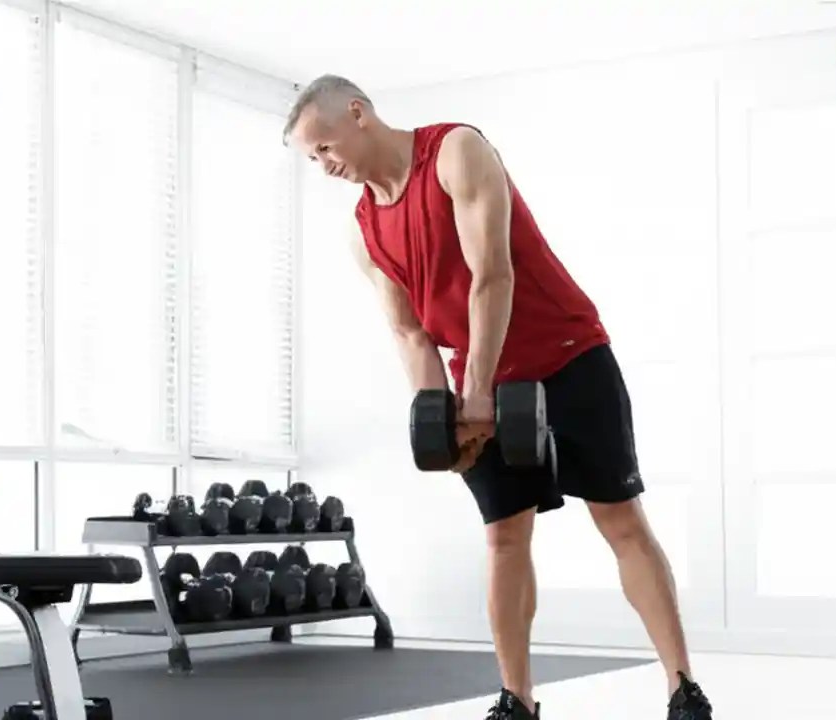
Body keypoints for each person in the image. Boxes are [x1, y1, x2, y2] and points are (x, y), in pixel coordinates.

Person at [282, 75, 715, 720]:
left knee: (621, 521)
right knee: (504, 538)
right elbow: (410, 332)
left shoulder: (455, 152)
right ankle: (517, 700)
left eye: (323, 147)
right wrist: (442, 420)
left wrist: (477, 390)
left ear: (357, 112)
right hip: (486, 381)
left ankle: (683, 689)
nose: (323, 166)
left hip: (571, 357)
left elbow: (493, 275)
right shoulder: (365, 231)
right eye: (311, 159)